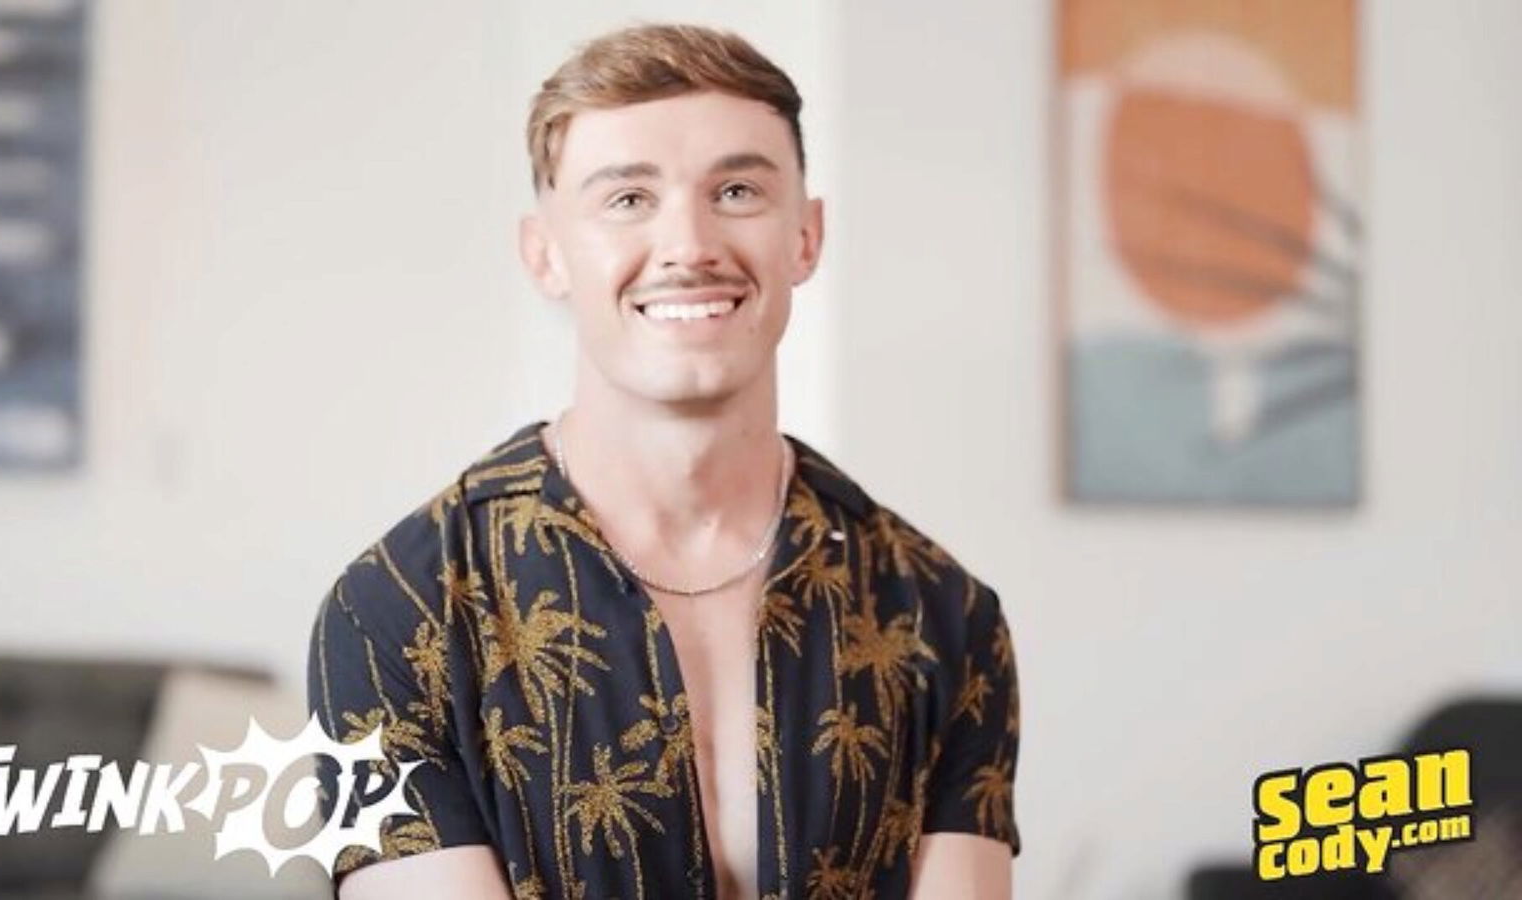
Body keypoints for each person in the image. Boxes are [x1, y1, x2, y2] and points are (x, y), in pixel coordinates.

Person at [307, 22, 1020, 900]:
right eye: (628, 199)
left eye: (736, 191)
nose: (689, 246)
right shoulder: (395, 614)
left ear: (805, 236)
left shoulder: (941, 614)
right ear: (545, 253)